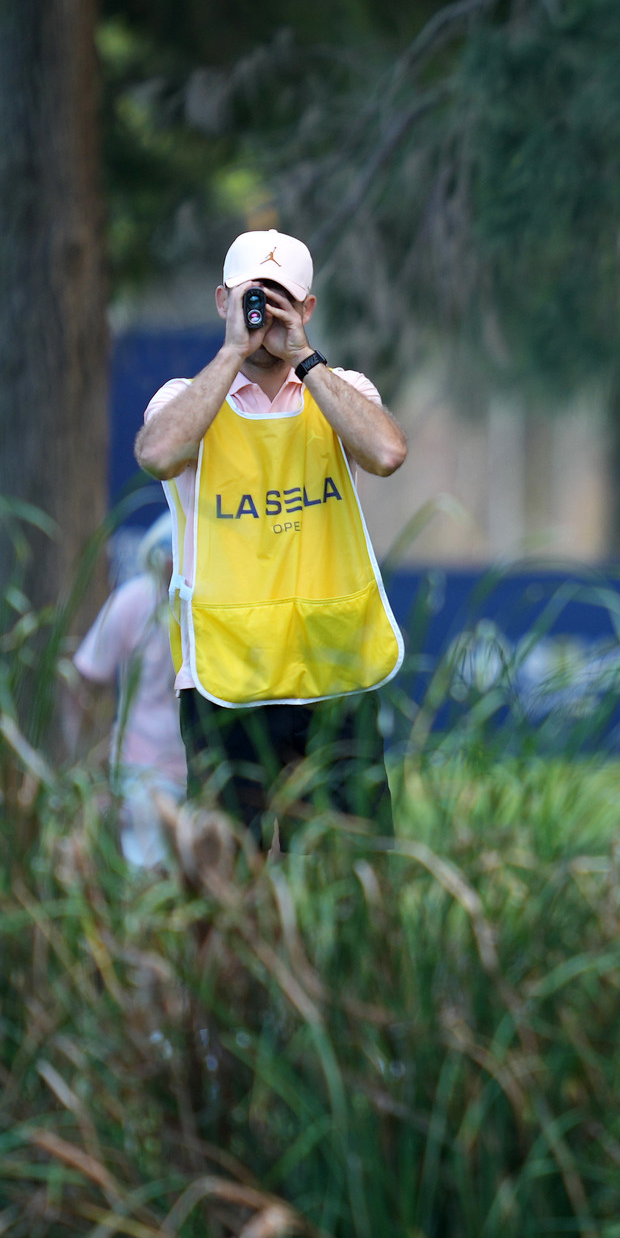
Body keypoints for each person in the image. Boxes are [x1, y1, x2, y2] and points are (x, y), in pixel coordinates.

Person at [135, 229, 409, 850]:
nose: (265, 314)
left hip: (333, 676)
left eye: (282, 299)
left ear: (307, 309)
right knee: (228, 888)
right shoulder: (185, 400)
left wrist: (307, 360)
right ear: (222, 301)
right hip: (227, 681)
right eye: (253, 298)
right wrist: (232, 354)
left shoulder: (341, 391)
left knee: (356, 879)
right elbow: (157, 454)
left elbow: (388, 452)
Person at [71, 514, 185, 869]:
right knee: (147, 869)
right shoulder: (132, 601)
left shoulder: (208, 607)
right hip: (141, 767)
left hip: (199, 765)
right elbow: (85, 676)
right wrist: (89, 759)